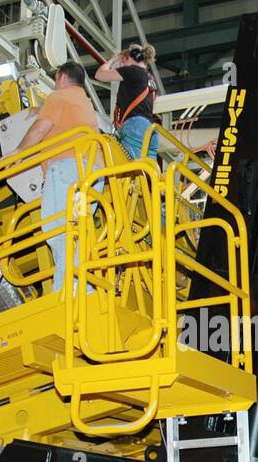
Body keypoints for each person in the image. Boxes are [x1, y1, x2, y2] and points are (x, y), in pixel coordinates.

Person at [12, 62, 98, 291]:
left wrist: (19, 153)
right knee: (77, 232)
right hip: (94, 174)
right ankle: (83, 289)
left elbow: (40, 129)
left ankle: (66, 295)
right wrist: (41, 108)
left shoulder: (59, 97)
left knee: (58, 233)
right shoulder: (84, 103)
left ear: (60, 77)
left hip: (66, 170)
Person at [95, 43, 159, 160]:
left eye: (122, 61)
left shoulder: (133, 71)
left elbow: (99, 74)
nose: (121, 65)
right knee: (148, 172)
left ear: (130, 58)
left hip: (135, 127)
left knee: (130, 168)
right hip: (150, 130)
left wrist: (113, 59)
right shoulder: (151, 80)